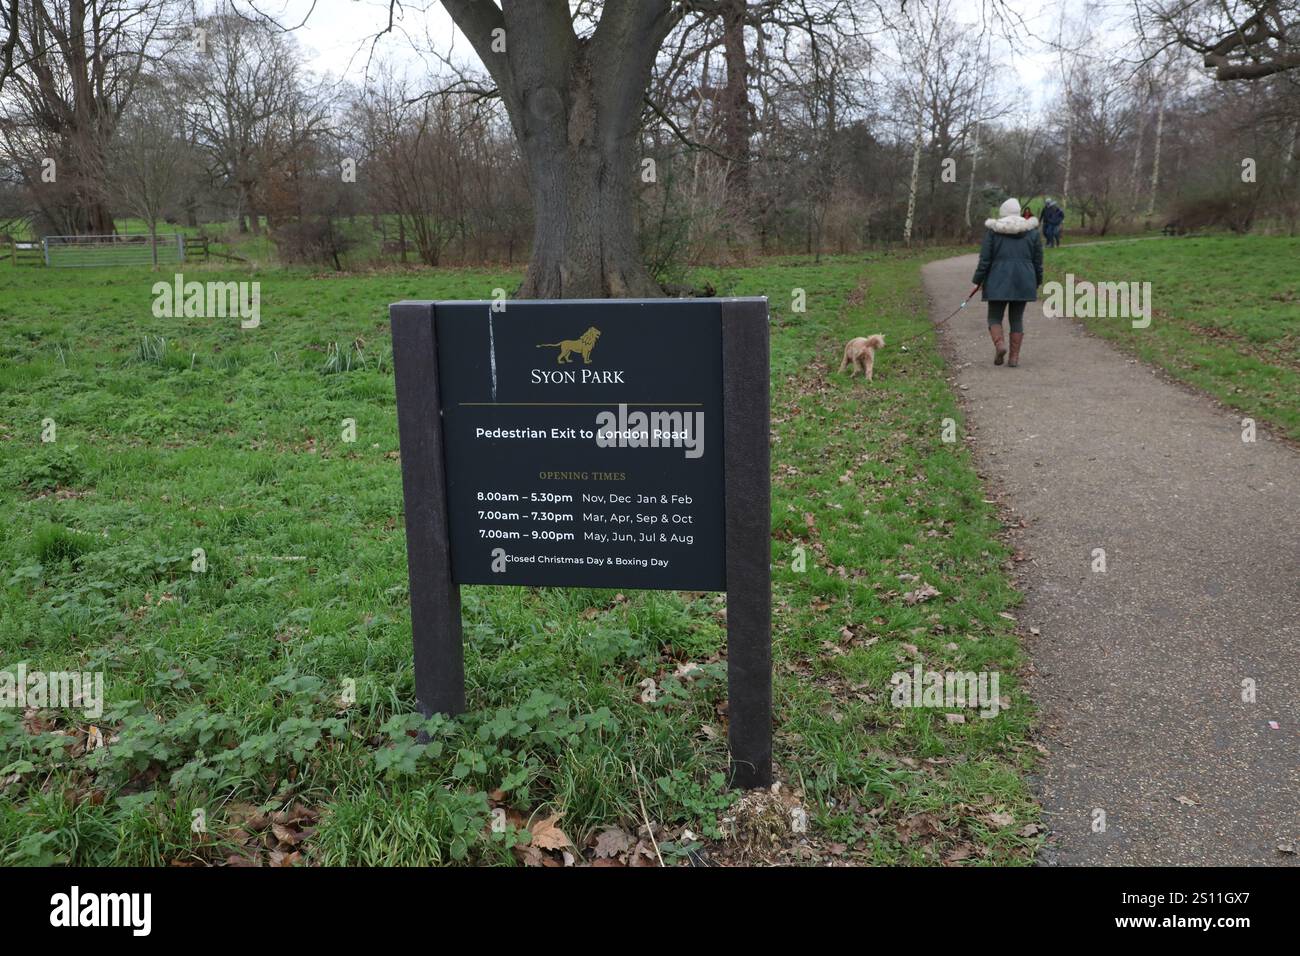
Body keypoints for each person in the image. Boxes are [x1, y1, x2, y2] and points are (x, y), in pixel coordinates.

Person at [972, 197, 1043, 367]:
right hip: (1024, 280)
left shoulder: (993, 232)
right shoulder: (1032, 233)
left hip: (997, 279)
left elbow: (985, 260)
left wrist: (977, 280)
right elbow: (1038, 261)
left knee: (994, 316)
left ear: (1002, 214)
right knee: (1016, 318)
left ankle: (1000, 345)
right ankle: (1014, 358)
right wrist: (1037, 280)